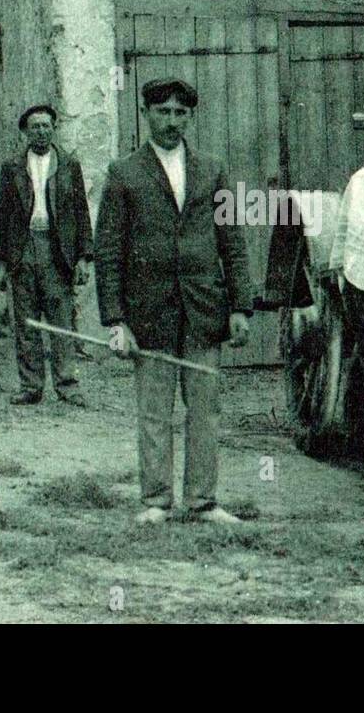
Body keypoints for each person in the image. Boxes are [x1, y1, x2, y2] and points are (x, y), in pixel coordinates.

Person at [95, 78, 254, 524]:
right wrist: (116, 320)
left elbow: (233, 241)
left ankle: (203, 501)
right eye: (162, 111)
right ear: (146, 113)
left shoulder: (212, 169)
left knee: (204, 411)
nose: (171, 121)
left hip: (204, 310)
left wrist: (240, 307)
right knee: (154, 412)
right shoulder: (123, 173)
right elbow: (108, 251)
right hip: (150, 315)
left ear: (190, 117)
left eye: (180, 113)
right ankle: (156, 501)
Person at [0, 104, 92, 406]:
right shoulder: (12, 167)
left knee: (61, 321)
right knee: (27, 323)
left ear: (54, 128)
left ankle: (68, 385)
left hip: (56, 250)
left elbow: (81, 213)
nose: (41, 131)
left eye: (47, 125)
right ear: (25, 131)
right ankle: (31, 386)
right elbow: (1, 215)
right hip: (23, 249)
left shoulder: (69, 165)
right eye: (35, 126)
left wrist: (84, 257)